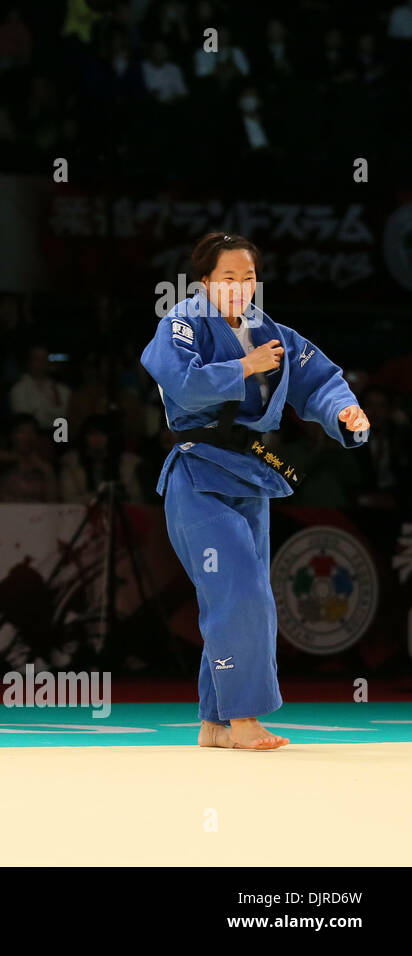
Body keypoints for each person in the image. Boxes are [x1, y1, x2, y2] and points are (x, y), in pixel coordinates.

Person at [141, 232, 369, 751]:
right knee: (242, 590)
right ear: (204, 282)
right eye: (228, 278)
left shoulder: (273, 334)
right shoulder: (181, 323)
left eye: (248, 278)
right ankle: (245, 719)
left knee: (229, 595)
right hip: (198, 474)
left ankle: (216, 723)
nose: (240, 288)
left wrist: (343, 412)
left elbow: (321, 381)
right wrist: (244, 367)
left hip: (251, 475)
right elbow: (181, 381)